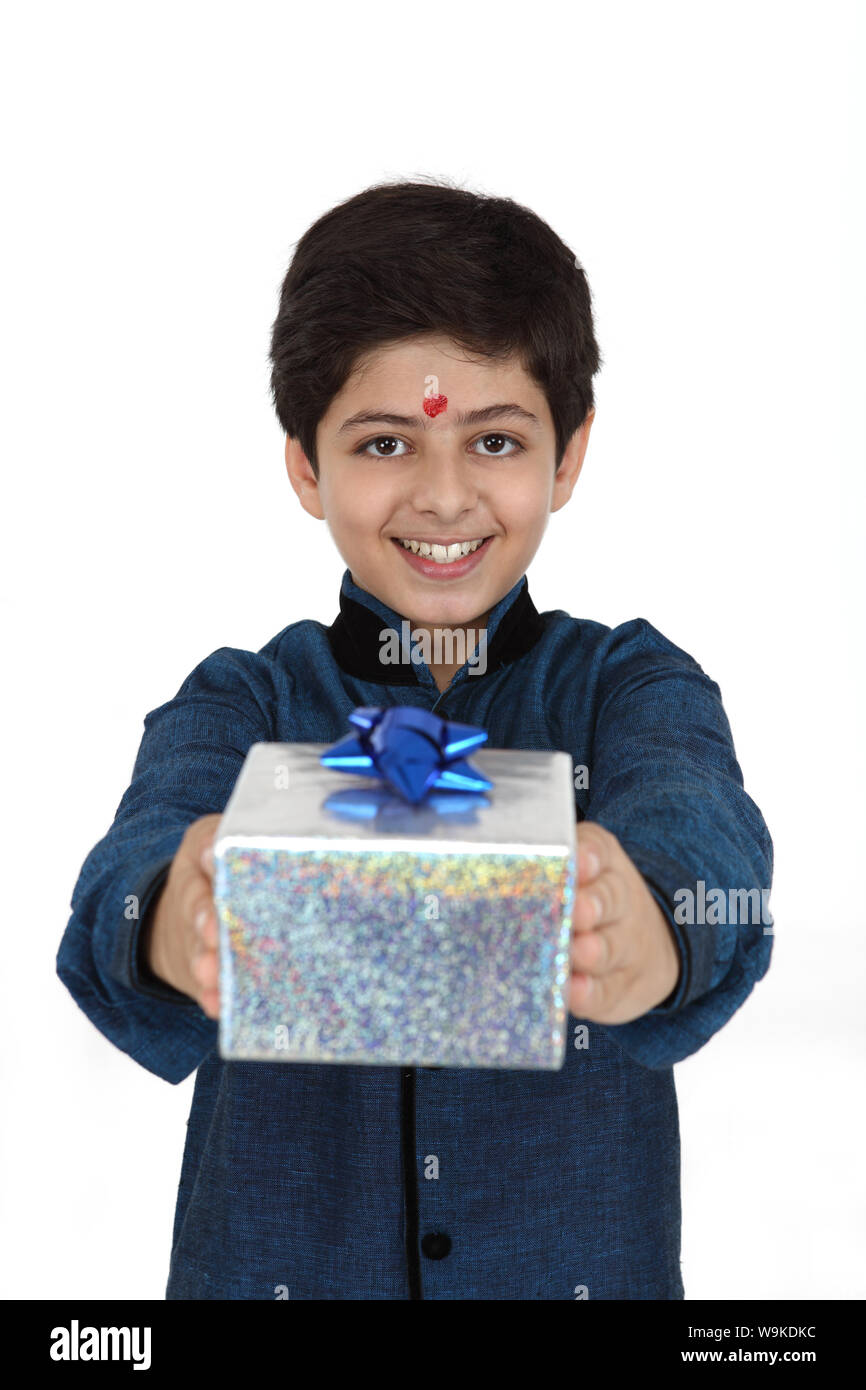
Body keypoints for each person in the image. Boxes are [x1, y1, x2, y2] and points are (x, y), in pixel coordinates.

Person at [57, 178, 773, 1299]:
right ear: (306, 465)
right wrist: (170, 917)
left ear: (567, 457)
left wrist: (652, 925)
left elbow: (700, 822)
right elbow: (127, 872)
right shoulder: (243, 701)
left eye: (494, 440)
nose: (443, 497)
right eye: (386, 442)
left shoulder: (628, 686)